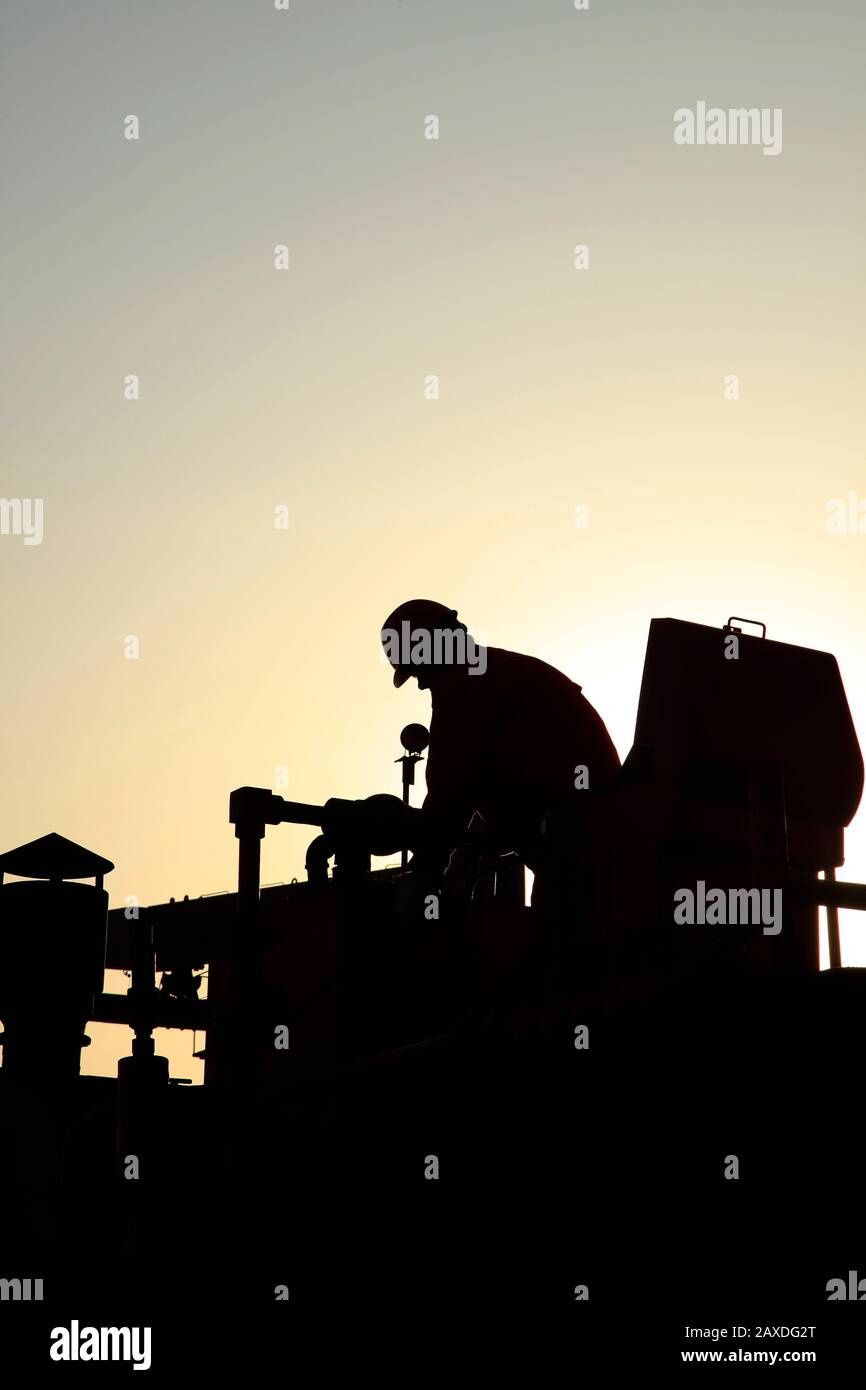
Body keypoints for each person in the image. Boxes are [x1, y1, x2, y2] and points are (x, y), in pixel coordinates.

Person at [380, 600, 621, 905]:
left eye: (417, 671)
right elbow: (478, 780)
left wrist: (423, 873)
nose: (421, 683)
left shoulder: (465, 686)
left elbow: (450, 791)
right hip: (602, 829)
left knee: (560, 924)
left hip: (576, 838)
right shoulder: (501, 671)